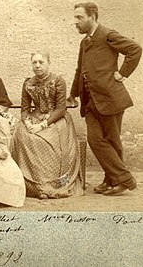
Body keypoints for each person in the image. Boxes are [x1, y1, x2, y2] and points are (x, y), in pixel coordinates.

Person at [67, 2, 142, 196]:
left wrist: (122, 74)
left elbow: (135, 49)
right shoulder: (84, 42)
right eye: (74, 17)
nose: (75, 21)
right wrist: (73, 94)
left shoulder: (108, 35)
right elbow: (79, 69)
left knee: (112, 141)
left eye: (79, 17)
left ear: (92, 17)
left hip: (111, 98)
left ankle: (116, 181)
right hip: (90, 101)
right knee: (96, 139)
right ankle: (119, 179)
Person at [11, 52, 84, 199]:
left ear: (48, 63)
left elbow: (60, 108)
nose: (37, 66)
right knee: (22, 135)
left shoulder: (58, 81)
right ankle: (33, 185)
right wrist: (27, 122)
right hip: (35, 117)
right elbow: (25, 108)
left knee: (47, 141)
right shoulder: (28, 83)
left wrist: (43, 125)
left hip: (56, 119)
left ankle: (53, 184)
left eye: (41, 62)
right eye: (34, 62)